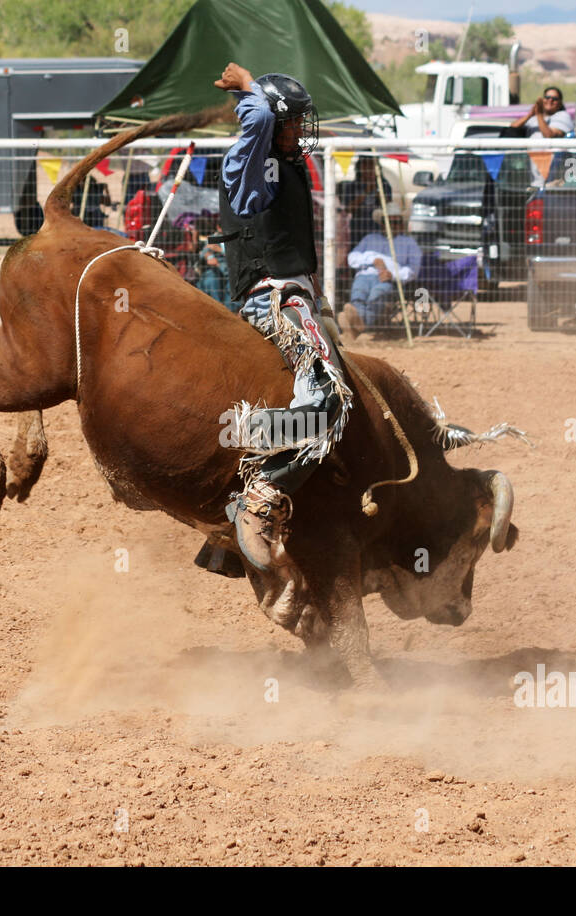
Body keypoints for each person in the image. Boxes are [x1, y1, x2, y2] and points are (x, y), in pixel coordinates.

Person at [212, 62, 352, 571]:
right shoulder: (251, 162)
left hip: (299, 296)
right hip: (273, 298)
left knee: (344, 402)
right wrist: (252, 92)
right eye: (291, 122)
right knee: (329, 402)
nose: (299, 130)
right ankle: (263, 491)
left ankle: (226, 536)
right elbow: (256, 124)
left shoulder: (282, 162)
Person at [339, 202, 422, 337]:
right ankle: (358, 325)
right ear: (382, 223)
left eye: (396, 222)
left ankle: (356, 324)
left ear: (401, 224)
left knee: (377, 294)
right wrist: (372, 260)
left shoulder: (409, 243)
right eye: (389, 222)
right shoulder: (369, 238)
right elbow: (352, 258)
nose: (392, 226)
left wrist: (393, 274)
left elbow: (413, 271)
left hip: (388, 280)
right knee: (359, 292)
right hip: (365, 275)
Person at [337, 154, 391, 250]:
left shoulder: (384, 185)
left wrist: (380, 195)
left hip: (377, 229)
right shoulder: (352, 186)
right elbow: (348, 209)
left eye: (372, 165)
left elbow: (390, 208)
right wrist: (366, 192)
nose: (369, 169)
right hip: (358, 230)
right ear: (360, 167)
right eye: (366, 165)